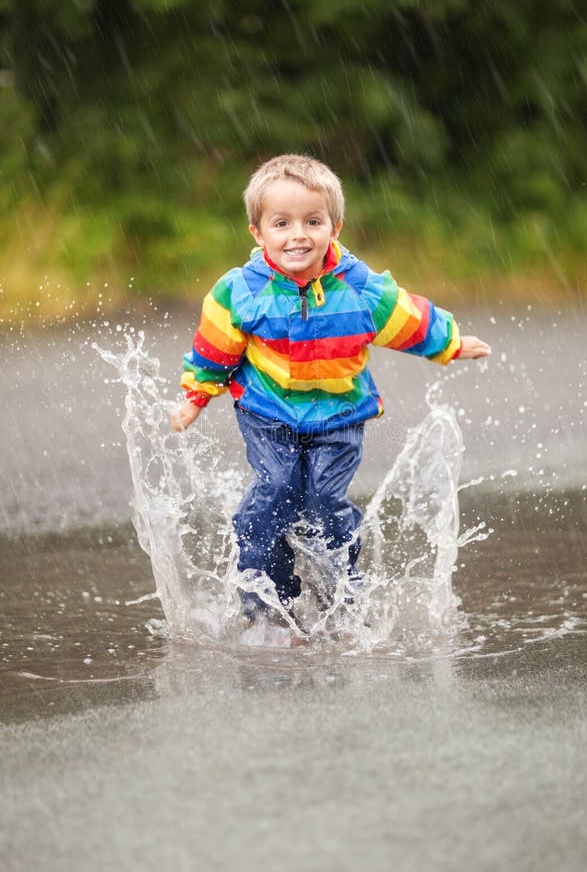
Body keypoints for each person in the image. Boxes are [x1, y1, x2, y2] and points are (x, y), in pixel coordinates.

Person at [171, 154, 490, 623]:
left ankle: (341, 598)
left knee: (322, 501)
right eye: (282, 223)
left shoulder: (359, 290)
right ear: (258, 234)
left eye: (312, 221)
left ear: (334, 227)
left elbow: (408, 318)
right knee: (276, 489)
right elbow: (216, 346)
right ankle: (265, 603)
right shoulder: (240, 291)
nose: (297, 234)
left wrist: (451, 342)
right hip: (268, 412)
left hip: (340, 417)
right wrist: (196, 396)